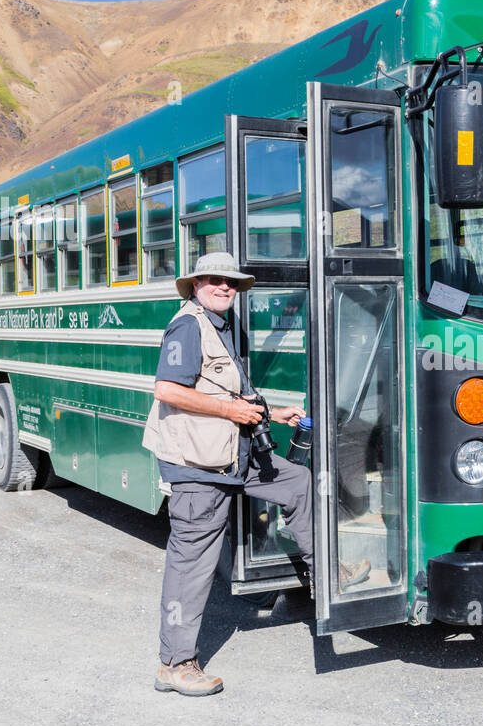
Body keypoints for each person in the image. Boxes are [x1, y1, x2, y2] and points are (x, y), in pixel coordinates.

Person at [142, 251, 369, 697]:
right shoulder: (188, 325)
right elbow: (167, 389)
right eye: (213, 280)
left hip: (234, 454)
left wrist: (272, 411)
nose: (224, 287)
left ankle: (322, 573)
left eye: (230, 282)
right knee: (192, 563)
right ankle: (174, 663)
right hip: (198, 465)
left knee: (298, 483)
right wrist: (230, 410)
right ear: (195, 284)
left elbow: (228, 386)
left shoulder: (222, 325)